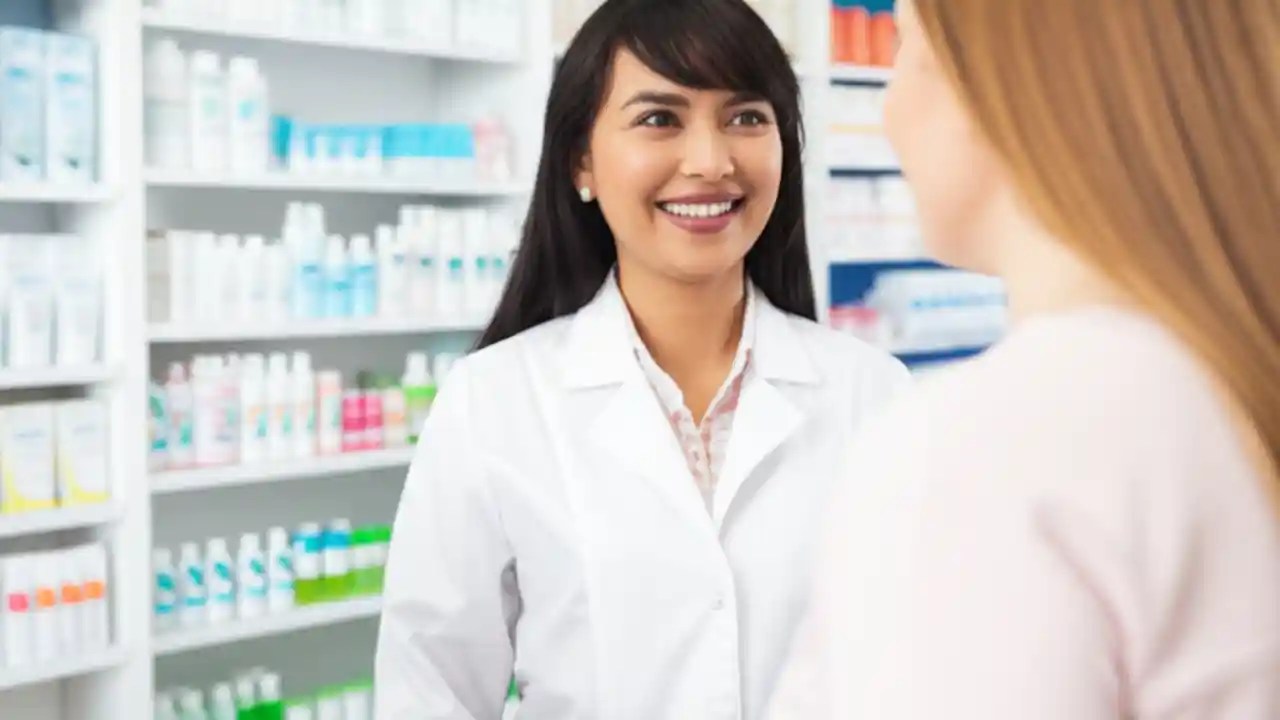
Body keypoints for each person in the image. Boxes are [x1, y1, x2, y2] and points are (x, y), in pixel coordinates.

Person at [374, 1, 909, 718]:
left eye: (746, 117)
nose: (711, 161)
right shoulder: (494, 400)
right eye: (660, 118)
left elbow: (911, 669)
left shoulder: (872, 395)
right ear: (581, 162)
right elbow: (427, 690)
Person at [768, 1, 1280, 718]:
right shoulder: (1210, 380)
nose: (890, 112)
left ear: (995, 90)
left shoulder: (995, 441)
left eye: (904, 52)